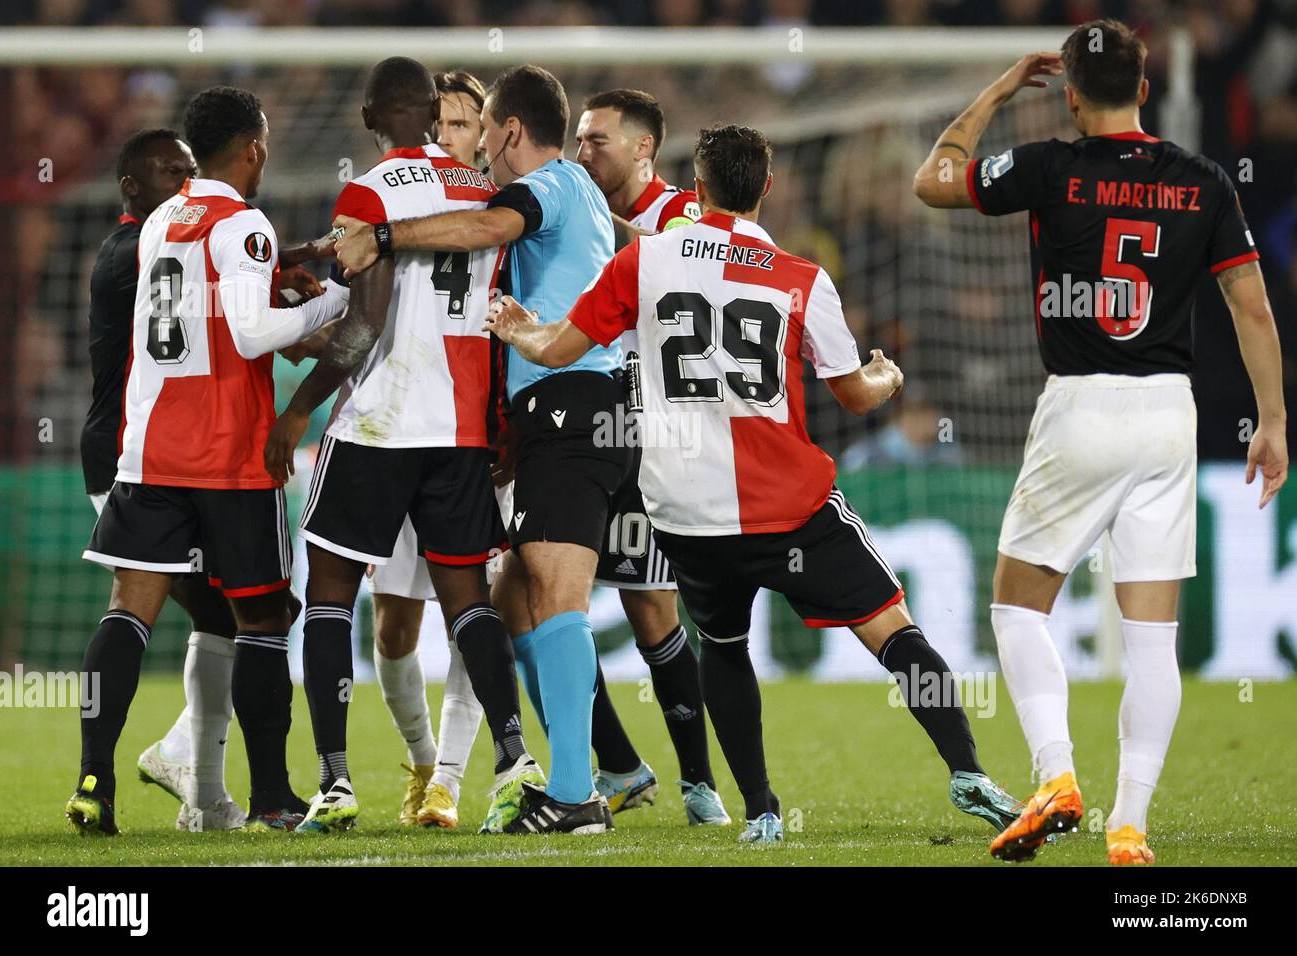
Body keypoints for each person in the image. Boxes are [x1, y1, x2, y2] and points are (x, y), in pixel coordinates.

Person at [487, 124, 1022, 845]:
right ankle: (967, 769)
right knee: (892, 630)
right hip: (790, 507)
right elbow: (855, 397)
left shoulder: (642, 261)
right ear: (766, 189)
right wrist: (887, 377)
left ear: (695, 189)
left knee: (725, 647)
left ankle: (763, 809)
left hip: (687, 513)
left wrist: (519, 330)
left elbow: (557, 349)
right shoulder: (802, 277)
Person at [912, 18, 1288, 864]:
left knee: (1014, 606)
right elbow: (1252, 305)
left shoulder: (1051, 164)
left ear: (1072, 95)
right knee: (1153, 638)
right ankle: (1130, 825)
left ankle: (1055, 774)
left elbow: (932, 180)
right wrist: (1273, 419)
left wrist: (1002, 88)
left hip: (1082, 406)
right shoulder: (1202, 180)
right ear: (1146, 92)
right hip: (1168, 412)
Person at [335, 64, 630, 835]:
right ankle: (592, 769)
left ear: (505, 131)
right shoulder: (580, 196)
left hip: (573, 405)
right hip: (548, 414)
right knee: (510, 602)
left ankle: (574, 793)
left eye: (480, 129)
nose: (472, 151)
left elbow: (488, 226)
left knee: (557, 598)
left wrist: (387, 234)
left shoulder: (552, 186)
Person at [67, 86, 351, 836]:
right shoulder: (245, 221)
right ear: (254, 148)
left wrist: (278, 272)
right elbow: (255, 334)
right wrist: (335, 301)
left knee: (130, 609)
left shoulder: (162, 219)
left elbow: (215, 304)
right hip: (229, 456)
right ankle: (271, 799)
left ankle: (95, 782)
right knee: (260, 618)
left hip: (152, 450)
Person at [265, 57, 535, 836]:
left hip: (379, 426)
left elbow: (365, 330)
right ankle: (515, 764)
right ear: (432, 113)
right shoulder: (486, 197)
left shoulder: (373, 191)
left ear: (376, 115)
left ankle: (335, 782)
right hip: (458, 431)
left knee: (327, 596)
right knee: (467, 605)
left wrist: (295, 413)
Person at [572, 88, 727, 824]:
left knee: (650, 612)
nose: (581, 154)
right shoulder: (579, 219)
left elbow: (688, 271)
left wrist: (599, 222)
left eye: (596, 140)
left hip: (648, 442)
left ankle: (699, 783)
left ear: (642, 148)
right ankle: (620, 763)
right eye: (575, 140)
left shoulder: (682, 215)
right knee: (530, 598)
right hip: (573, 432)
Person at [362, 69, 491, 831]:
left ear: (485, 134)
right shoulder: (397, 190)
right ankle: (418, 760)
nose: (447, 135)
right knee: (393, 630)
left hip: (469, 435)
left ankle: (449, 778)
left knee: (470, 614)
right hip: (396, 428)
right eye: (438, 122)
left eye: (462, 124)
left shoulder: (501, 207)